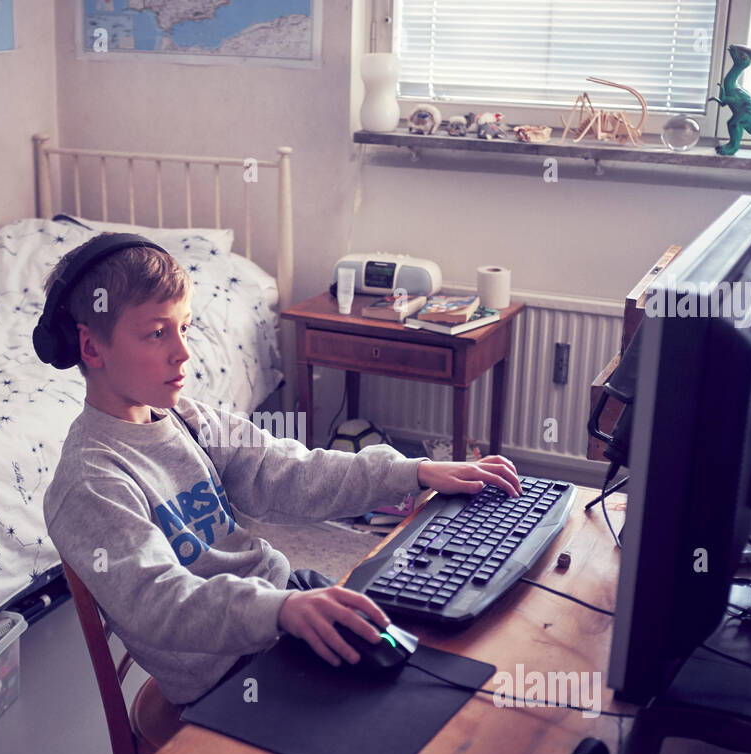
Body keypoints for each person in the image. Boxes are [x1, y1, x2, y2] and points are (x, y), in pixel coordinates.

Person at [40, 234, 521, 709]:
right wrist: (281, 612)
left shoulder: (189, 420)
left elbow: (292, 472)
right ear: (91, 347)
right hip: (226, 674)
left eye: (184, 328)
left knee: (447, 654)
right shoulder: (91, 480)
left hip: (282, 602)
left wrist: (414, 473)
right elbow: (159, 602)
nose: (183, 352)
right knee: (404, 714)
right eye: (156, 333)